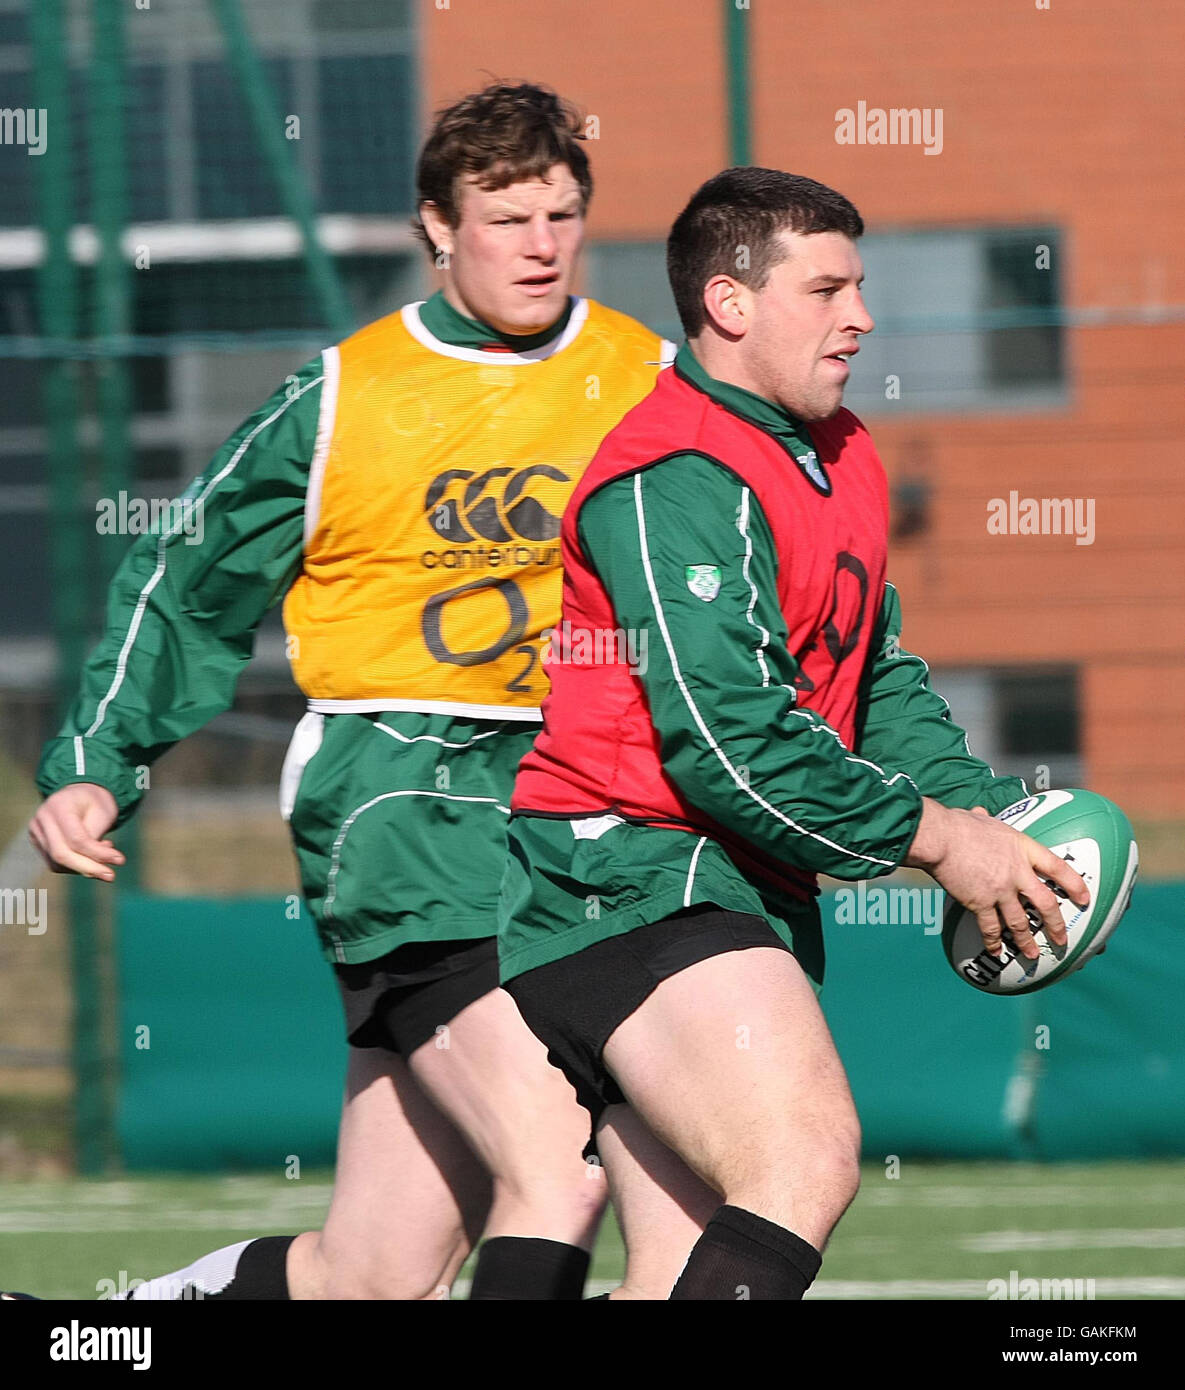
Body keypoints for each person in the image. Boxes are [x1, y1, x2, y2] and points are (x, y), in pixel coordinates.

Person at [27, 83, 674, 1301]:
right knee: (560, 1165)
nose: (539, 244)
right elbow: (185, 584)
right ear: (436, 224)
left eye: (562, 214)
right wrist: (96, 766)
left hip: (583, 810)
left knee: (370, 1274)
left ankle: (102, 1329)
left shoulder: (649, 377)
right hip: (404, 800)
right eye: (504, 216)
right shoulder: (342, 396)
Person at [496, 167, 1089, 1300]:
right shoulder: (667, 476)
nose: (859, 315)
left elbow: (875, 682)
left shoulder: (841, 449)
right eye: (825, 289)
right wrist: (939, 843)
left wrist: (998, 826)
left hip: (724, 887)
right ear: (728, 303)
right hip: (625, 877)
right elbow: (729, 748)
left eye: (857, 285)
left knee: (677, 1264)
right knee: (801, 1157)